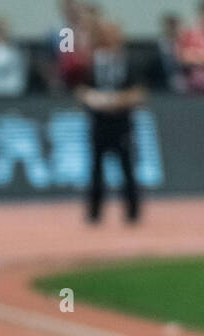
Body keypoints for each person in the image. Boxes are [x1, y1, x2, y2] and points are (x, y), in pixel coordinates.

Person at [75, 19, 143, 223]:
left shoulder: (128, 62)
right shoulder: (91, 62)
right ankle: (94, 212)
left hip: (122, 122)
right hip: (99, 123)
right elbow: (81, 91)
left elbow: (138, 92)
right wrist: (97, 100)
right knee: (96, 170)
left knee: (127, 169)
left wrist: (118, 100)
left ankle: (132, 212)